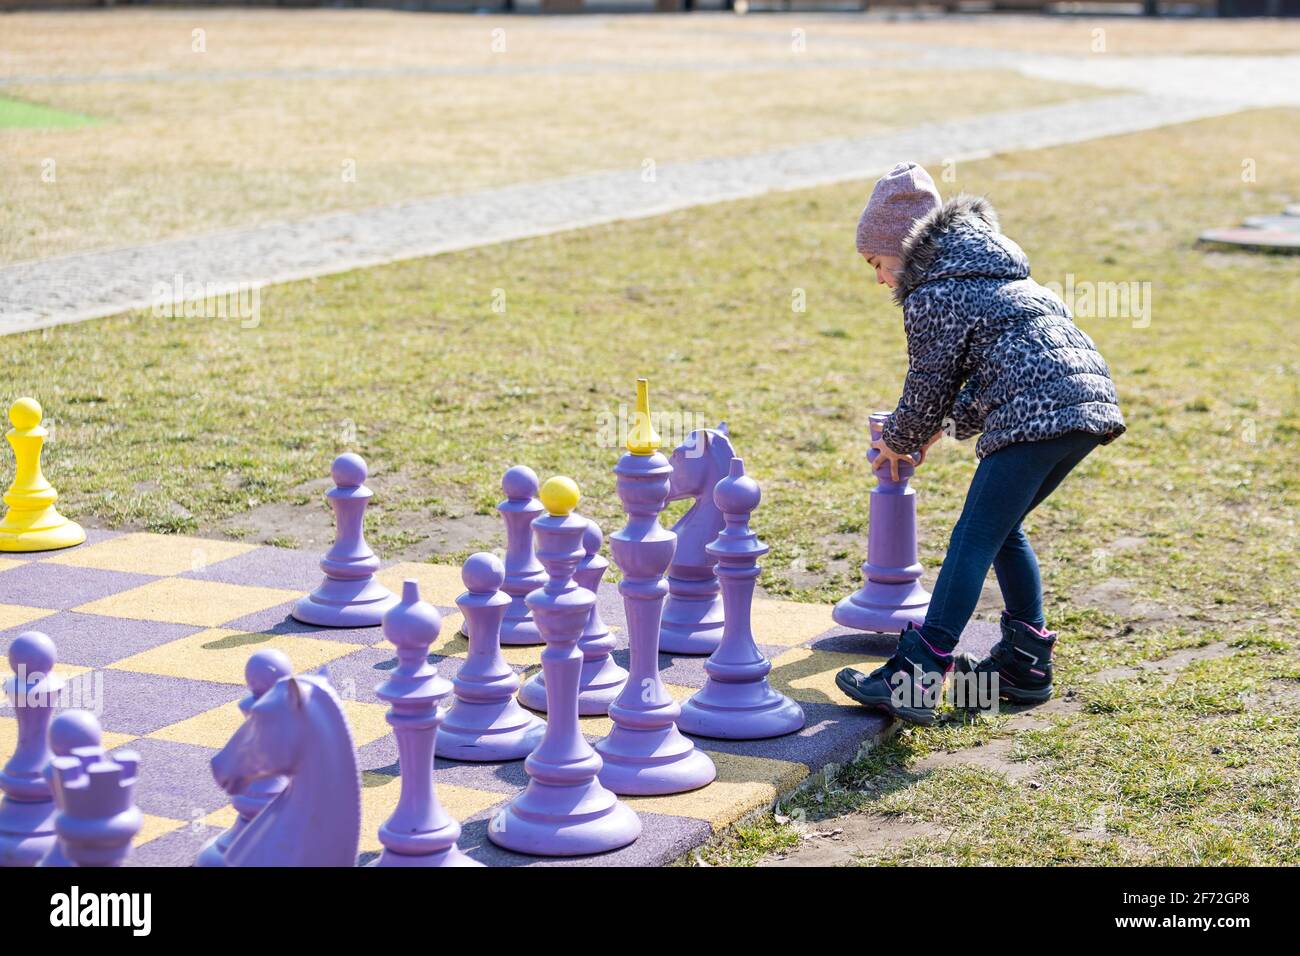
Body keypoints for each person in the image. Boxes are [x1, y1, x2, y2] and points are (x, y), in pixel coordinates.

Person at [836, 162, 1126, 725]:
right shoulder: (997, 275)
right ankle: (1024, 663)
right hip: (1086, 407)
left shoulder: (935, 293)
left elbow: (927, 384)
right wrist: (937, 432)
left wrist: (900, 440)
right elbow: (991, 373)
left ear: (902, 246)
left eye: (876, 263)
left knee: (971, 536)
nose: (878, 278)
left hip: (1037, 413)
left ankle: (915, 675)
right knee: (1000, 529)